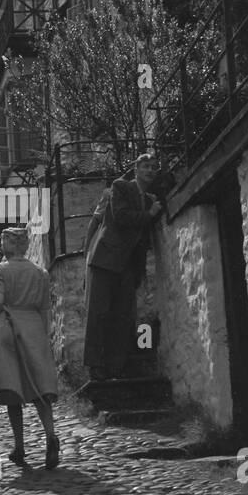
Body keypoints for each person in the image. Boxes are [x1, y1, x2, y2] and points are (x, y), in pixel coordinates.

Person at [0, 226, 60, 470]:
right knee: (40, 386)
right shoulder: (40, 273)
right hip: (34, 328)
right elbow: (46, 308)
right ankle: (50, 435)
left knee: (11, 388)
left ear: (7, 245)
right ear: (25, 245)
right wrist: (45, 334)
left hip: (9, 328)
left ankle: (20, 445)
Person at [83, 152, 163, 381]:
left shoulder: (149, 198)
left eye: (154, 167)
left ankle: (117, 366)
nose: (150, 171)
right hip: (106, 258)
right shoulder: (120, 186)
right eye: (146, 166)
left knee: (123, 315)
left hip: (128, 263)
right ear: (136, 169)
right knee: (98, 313)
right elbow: (120, 216)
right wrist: (149, 214)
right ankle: (94, 366)